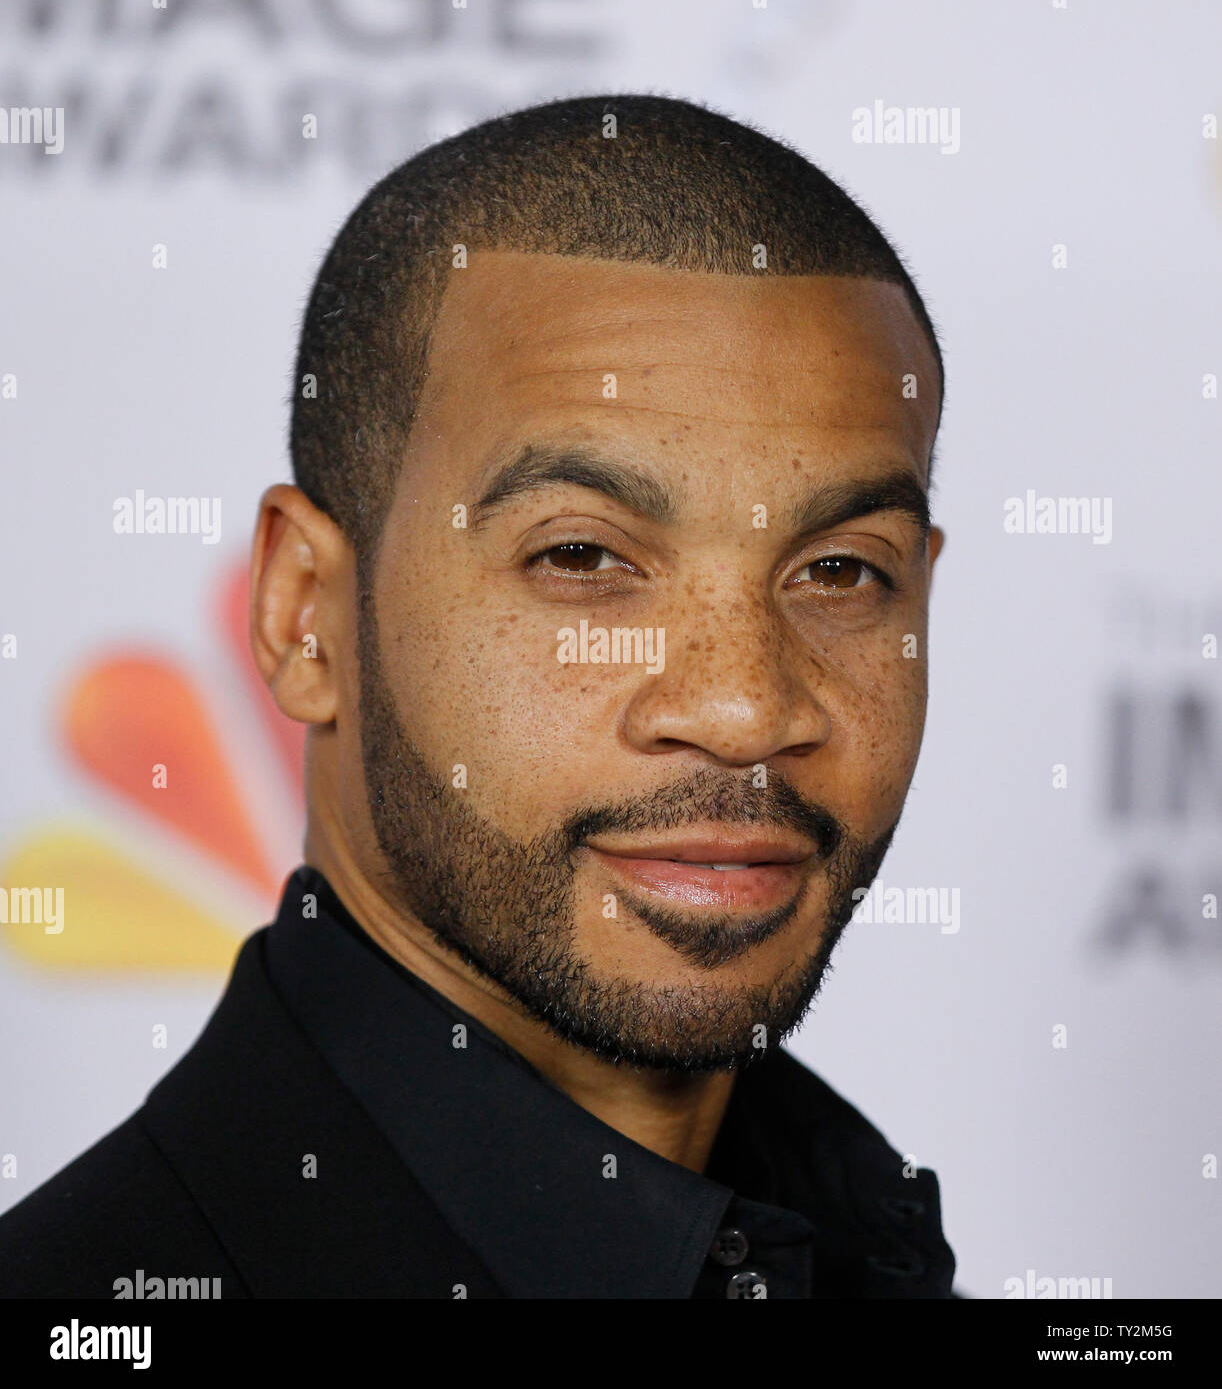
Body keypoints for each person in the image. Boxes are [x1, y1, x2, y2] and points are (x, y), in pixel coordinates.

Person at [0, 92, 954, 1298]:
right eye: (581, 559)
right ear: (306, 615)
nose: (743, 710)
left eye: (838, 571)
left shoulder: (856, 1250)